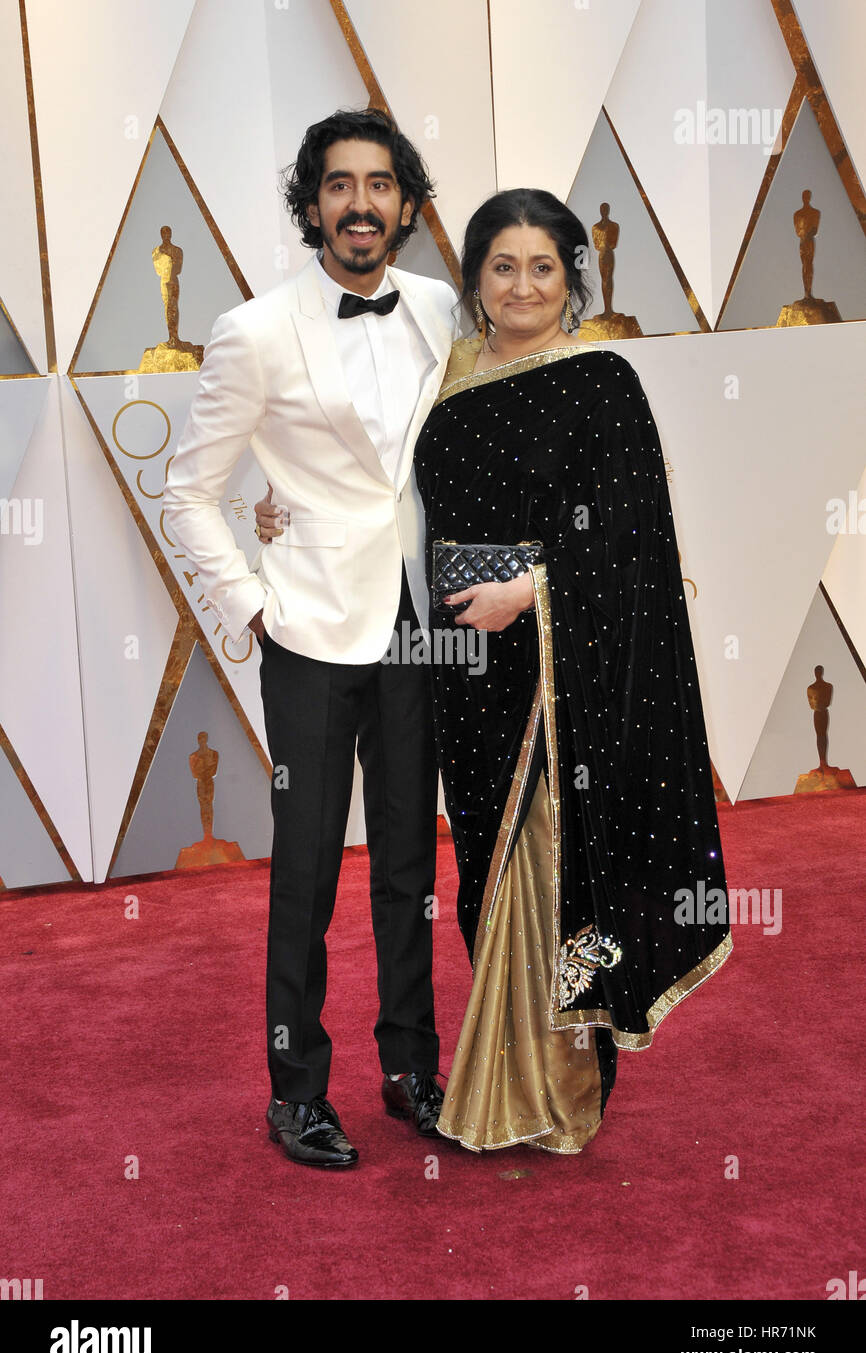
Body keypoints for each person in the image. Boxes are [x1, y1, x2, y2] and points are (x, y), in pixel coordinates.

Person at [256, 186, 733, 1156]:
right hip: (461, 668)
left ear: (571, 278)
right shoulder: (443, 377)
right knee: (481, 871)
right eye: (501, 266)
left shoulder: (599, 380)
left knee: (554, 866)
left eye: (542, 267)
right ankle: (499, 1068)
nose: (521, 285)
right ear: (473, 278)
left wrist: (533, 589)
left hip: (562, 670)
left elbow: (634, 537)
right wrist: (282, 508)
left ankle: (557, 1089)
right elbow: (371, 487)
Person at [163, 108, 461, 1169]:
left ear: (406, 205)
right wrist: (251, 603)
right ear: (310, 206)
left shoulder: (439, 308)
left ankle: (411, 1070)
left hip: (419, 631)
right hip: (308, 635)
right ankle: (295, 1091)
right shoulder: (255, 330)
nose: (360, 203)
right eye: (338, 185)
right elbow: (188, 493)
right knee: (303, 872)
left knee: (408, 868)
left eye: (379, 184)